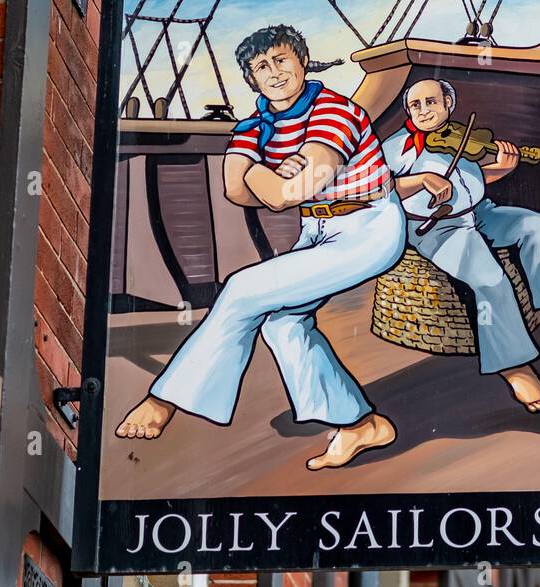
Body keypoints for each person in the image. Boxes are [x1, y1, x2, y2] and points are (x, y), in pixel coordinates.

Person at [116, 24, 406, 470]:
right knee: (282, 323)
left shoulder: (335, 110)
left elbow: (288, 194)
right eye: (261, 67)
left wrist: (268, 177)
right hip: (317, 231)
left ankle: (163, 402)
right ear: (252, 79)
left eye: (281, 60)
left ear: (302, 60)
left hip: (368, 225)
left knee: (243, 290)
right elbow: (237, 188)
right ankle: (359, 425)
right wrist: (269, 177)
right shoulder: (255, 125)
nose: (273, 73)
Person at [381, 77, 540, 412]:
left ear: (448, 103)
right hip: (438, 227)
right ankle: (514, 366)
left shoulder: (460, 136)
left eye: (431, 102)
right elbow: (382, 190)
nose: (424, 111)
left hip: (479, 211)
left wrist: (503, 168)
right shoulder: (397, 146)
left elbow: (470, 181)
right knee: (490, 278)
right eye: (416, 105)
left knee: (533, 224)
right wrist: (421, 180)